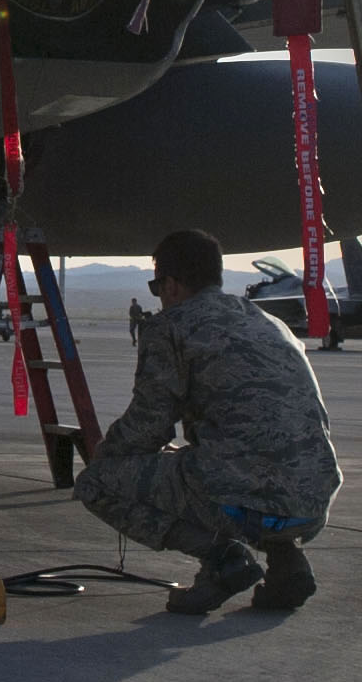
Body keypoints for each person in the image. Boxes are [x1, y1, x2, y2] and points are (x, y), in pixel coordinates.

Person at [72, 228, 341, 616]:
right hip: (313, 500)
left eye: (157, 285)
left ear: (172, 285)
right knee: (238, 460)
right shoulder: (266, 321)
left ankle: (223, 561)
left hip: (244, 497)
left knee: (96, 483)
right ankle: (286, 562)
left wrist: (106, 455)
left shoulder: (172, 327)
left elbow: (149, 425)